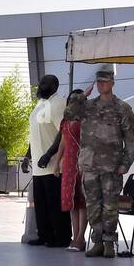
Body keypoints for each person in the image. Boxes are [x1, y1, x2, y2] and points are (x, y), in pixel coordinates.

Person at [78, 67, 134, 258]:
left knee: (110, 207)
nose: (102, 85)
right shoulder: (87, 107)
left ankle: (110, 242)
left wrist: (125, 164)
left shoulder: (122, 109)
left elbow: (130, 142)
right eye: (99, 82)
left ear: (112, 83)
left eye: (105, 81)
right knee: (93, 206)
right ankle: (98, 242)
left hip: (112, 166)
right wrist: (81, 98)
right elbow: (69, 115)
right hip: (90, 165)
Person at [26, 74, 70, 247]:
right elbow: (34, 133)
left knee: (55, 203)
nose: (41, 85)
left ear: (55, 86)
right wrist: (27, 156)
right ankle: (45, 235)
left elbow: (63, 131)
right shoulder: (41, 104)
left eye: (45, 83)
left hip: (52, 164)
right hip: (38, 165)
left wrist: (49, 154)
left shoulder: (58, 102)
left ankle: (62, 237)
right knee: (41, 204)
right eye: (41, 82)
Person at [50, 89, 87, 251]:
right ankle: (74, 235)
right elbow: (63, 143)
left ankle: (81, 238)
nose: (72, 102)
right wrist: (57, 162)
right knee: (71, 202)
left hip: (82, 163)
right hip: (69, 164)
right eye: (70, 99)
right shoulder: (65, 121)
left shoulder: (86, 120)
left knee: (82, 201)